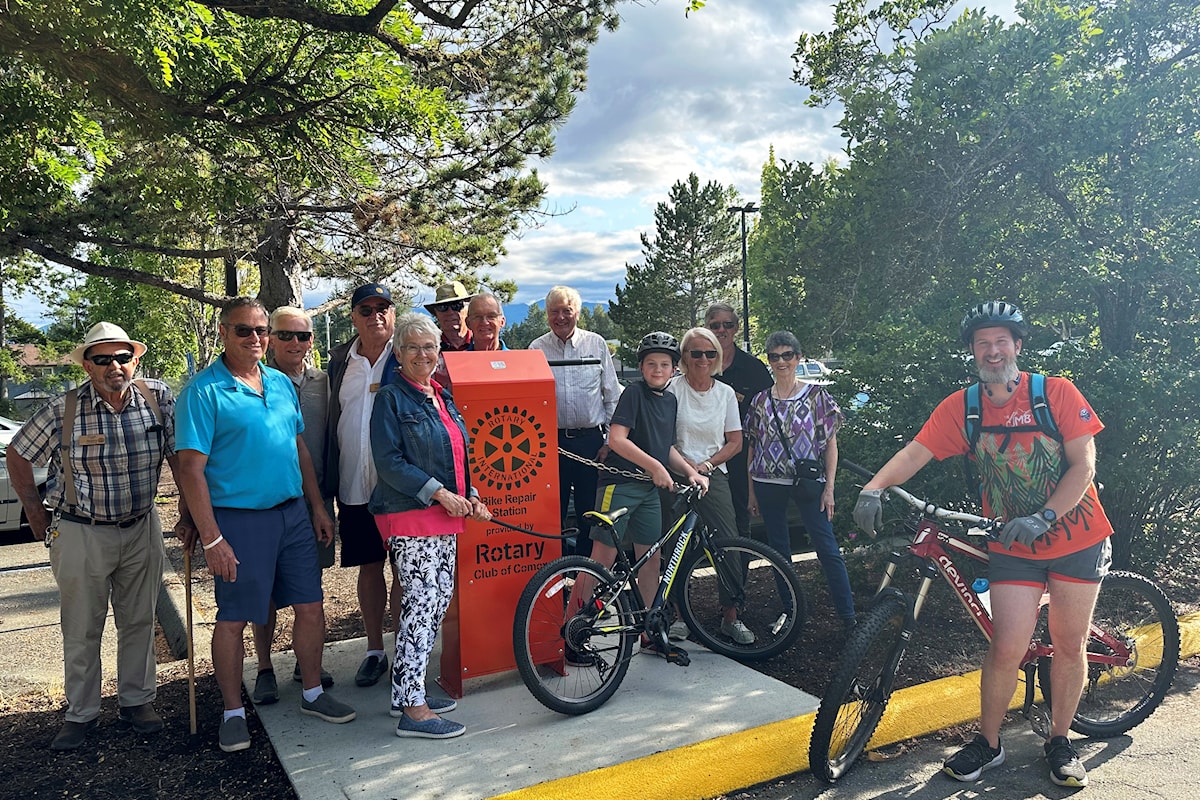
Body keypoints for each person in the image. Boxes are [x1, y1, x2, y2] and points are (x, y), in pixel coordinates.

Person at [852, 300, 1113, 789]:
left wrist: (1045, 515)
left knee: (1067, 644)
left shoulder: (1054, 393)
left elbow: (1084, 465)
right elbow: (916, 451)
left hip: (1077, 536)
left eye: (1001, 341)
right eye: (982, 344)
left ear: (1017, 345)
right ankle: (988, 744)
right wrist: (874, 487)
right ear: (972, 352)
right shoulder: (966, 406)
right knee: (1004, 648)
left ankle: (1060, 741)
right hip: (1014, 544)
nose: (992, 351)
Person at [176, 298, 355, 754]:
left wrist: (317, 507)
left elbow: (300, 449)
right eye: (244, 331)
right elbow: (191, 470)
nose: (254, 339)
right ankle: (234, 712)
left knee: (311, 605)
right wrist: (212, 536)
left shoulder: (278, 383)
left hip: (293, 513)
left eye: (261, 331)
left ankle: (312, 692)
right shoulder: (203, 392)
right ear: (223, 333)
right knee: (235, 618)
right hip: (239, 520)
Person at [7, 322, 182, 751]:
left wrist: (192, 516)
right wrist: (34, 511)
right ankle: (81, 713)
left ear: (135, 360)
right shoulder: (62, 409)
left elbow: (179, 456)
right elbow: (17, 454)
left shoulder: (158, 399)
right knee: (82, 626)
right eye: (103, 359)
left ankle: (137, 702)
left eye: (122, 357)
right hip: (81, 532)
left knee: (139, 618)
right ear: (88, 365)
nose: (114, 366)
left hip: (141, 527)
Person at [369, 313, 491, 739]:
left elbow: (460, 454)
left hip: (447, 514)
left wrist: (471, 493)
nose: (423, 354)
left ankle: (408, 689)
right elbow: (389, 463)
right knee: (420, 605)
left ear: (439, 352)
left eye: (430, 347)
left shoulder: (440, 396)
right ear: (399, 353)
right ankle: (413, 711)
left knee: (436, 605)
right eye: (413, 347)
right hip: (411, 514)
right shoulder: (390, 398)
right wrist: (440, 493)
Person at [577, 332, 707, 662]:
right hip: (618, 486)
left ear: (674, 369)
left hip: (649, 490)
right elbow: (617, 439)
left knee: (650, 559)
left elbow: (665, 448)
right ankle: (572, 633)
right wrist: (654, 467)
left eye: (665, 364)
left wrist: (689, 471)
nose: (658, 369)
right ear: (641, 367)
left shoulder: (670, 400)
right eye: (651, 364)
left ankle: (650, 631)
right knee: (600, 561)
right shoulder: (633, 394)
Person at [250, 306, 336, 705]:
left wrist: (324, 503)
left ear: (312, 341)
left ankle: (308, 665)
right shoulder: (254, 382)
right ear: (269, 338)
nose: (294, 344)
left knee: (310, 589)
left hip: (315, 501)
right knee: (264, 591)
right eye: (285, 335)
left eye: (302, 337)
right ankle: (265, 667)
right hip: (266, 504)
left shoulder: (324, 382)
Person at [744, 331, 855, 631]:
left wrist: (829, 488)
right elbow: (752, 446)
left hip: (808, 483)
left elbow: (830, 443)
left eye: (787, 355)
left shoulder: (817, 396)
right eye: (775, 356)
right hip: (768, 483)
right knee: (779, 552)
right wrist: (752, 491)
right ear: (769, 360)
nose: (781, 361)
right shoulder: (760, 401)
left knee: (827, 548)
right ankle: (790, 611)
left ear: (798, 358)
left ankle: (848, 617)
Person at [325, 283, 401, 688]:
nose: (376, 316)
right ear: (353, 317)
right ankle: (375, 650)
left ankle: (407, 650)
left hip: (401, 488)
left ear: (393, 313)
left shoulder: (409, 354)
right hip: (355, 485)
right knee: (370, 569)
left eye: (383, 308)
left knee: (405, 571)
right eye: (366, 310)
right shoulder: (339, 362)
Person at [665, 326, 752, 644]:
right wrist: (688, 469)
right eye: (695, 353)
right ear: (684, 357)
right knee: (676, 547)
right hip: (676, 476)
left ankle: (731, 616)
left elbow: (736, 442)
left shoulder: (726, 393)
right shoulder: (672, 390)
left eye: (710, 353)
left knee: (728, 543)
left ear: (717, 357)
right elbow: (664, 440)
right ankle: (677, 615)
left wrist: (706, 466)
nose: (703, 359)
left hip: (713, 476)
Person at [529, 285, 622, 558]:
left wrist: (609, 442)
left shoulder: (596, 344)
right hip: (551, 445)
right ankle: (554, 581)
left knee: (589, 514)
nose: (560, 317)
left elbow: (612, 397)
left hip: (591, 443)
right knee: (550, 514)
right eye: (554, 312)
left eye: (566, 311)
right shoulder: (536, 349)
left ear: (577, 313)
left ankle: (584, 580)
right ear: (547, 315)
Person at [705, 303, 772, 540]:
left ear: (736, 328)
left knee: (740, 521)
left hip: (742, 457)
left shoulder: (753, 369)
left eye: (728, 324)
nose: (721, 330)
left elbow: (769, 415)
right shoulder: (700, 364)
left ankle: (737, 577)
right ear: (707, 328)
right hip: (704, 454)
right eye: (715, 325)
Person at [425, 280, 476, 387]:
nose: (450, 312)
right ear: (436, 314)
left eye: (456, 305)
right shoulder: (427, 350)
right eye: (442, 307)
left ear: (468, 310)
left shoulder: (482, 345)